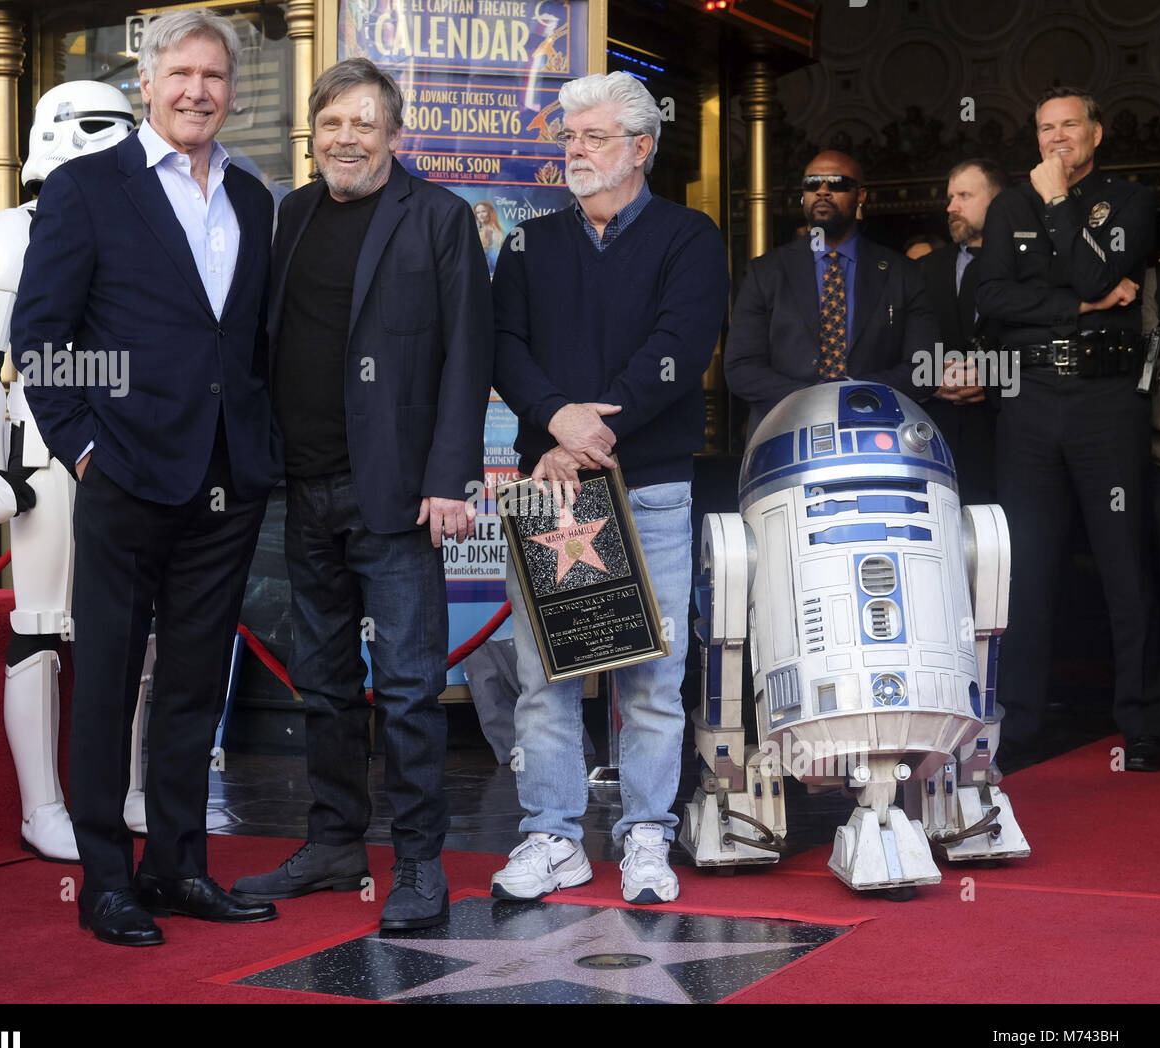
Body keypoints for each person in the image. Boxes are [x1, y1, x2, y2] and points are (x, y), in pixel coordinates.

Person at [11, 10, 283, 945]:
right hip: (123, 475)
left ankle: (178, 866)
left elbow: (245, 341)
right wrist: (84, 450)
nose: (198, 91)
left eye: (215, 77)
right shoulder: (88, 190)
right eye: (182, 74)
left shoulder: (251, 199)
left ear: (232, 92)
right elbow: (40, 344)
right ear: (148, 82)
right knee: (110, 680)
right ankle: (104, 880)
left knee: (195, 685)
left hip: (226, 478)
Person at [230, 57, 491, 931]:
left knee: (412, 688)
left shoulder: (442, 218)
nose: (346, 139)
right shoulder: (291, 214)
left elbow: (468, 357)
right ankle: (337, 842)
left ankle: (419, 863)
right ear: (316, 132)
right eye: (332, 124)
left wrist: (453, 478)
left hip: (398, 496)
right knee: (326, 685)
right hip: (302, 490)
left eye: (363, 125)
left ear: (394, 134)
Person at [487, 71, 729, 905]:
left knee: (652, 681)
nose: (574, 151)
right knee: (546, 676)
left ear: (641, 146)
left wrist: (592, 434)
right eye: (567, 137)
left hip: (649, 484)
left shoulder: (688, 237)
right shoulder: (527, 244)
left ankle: (647, 838)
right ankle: (552, 838)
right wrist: (558, 421)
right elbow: (504, 348)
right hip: (548, 484)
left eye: (591, 137)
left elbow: (680, 346)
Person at [0, 80, 142, 863]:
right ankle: (43, 805)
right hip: (45, 452)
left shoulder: (149, 220)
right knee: (39, 627)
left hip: (138, 448)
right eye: (104, 126)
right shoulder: (14, 230)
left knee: (144, 628)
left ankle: (131, 790)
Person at [976, 86, 1160, 773]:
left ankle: (1142, 722)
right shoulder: (1008, 207)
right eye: (1046, 128)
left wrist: (1059, 205)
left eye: (1070, 126)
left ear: (1097, 133)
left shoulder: (1133, 202)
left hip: (1107, 402)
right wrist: (1081, 301)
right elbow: (988, 298)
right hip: (1029, 400)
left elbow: (1098, 263)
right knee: (1026, 564)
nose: (1058, 138)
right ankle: (1021, 720)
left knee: (1125, 564)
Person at [726, 149, 938, 435]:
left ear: (861, 195)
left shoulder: (902, 272)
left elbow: (925, 369)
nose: (822, 191)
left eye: (837, 183)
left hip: (877, 432)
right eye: (812, 184)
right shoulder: (765, 272)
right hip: (783, 433)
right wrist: (814, 399)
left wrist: (852, 396)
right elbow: (741, 368)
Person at [917, 158, 1009, 504]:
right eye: (950, 196)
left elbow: (1041, 342)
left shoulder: (1032, 265)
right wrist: (928, 377)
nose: (951, 206)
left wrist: (995, 376)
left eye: (964, 196)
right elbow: (903, 342)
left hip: (1006, 438)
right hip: (936, 439)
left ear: (998, 202)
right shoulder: (923, 269)